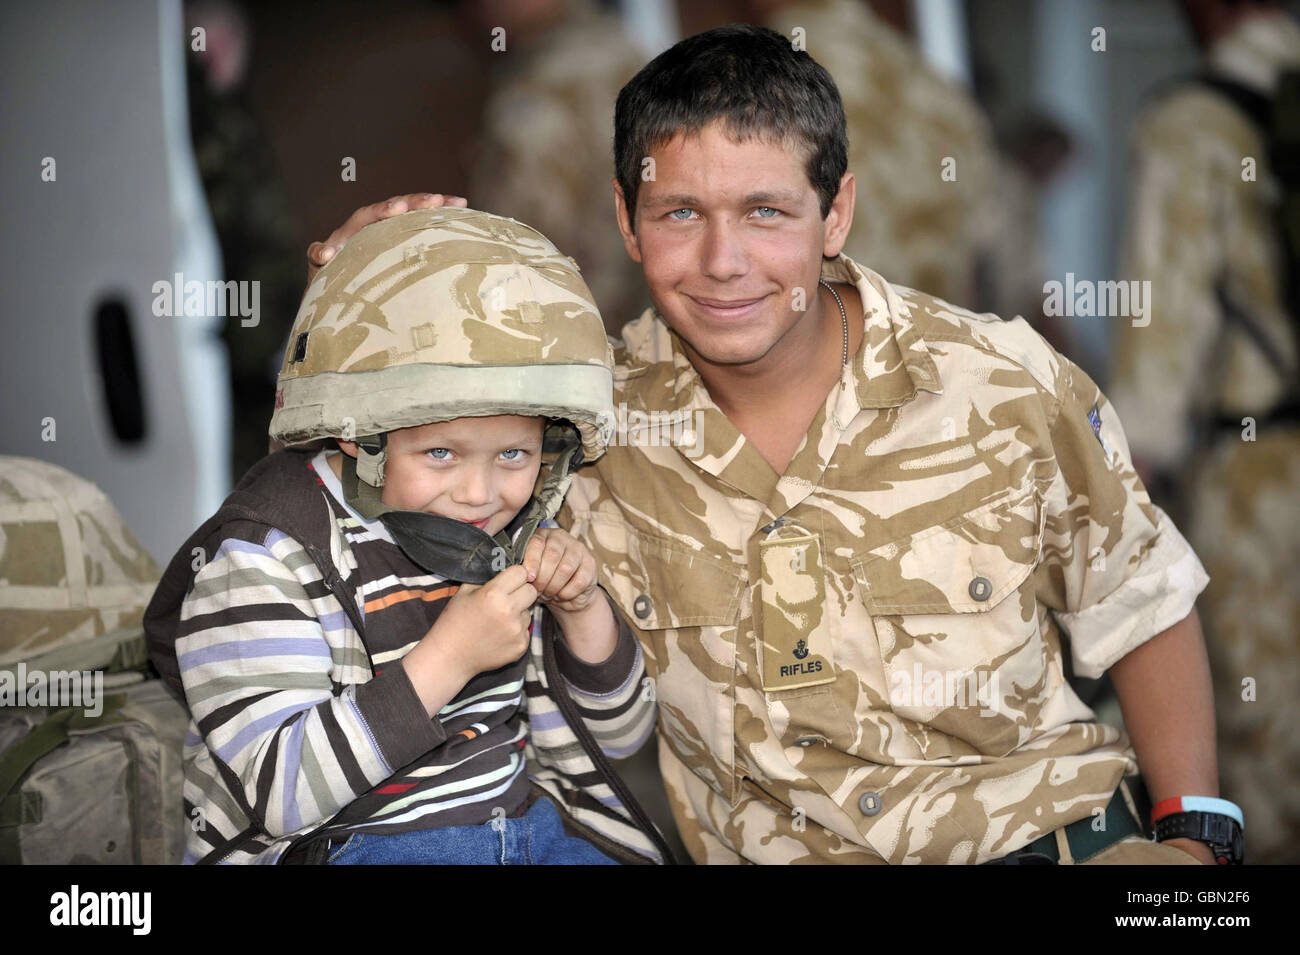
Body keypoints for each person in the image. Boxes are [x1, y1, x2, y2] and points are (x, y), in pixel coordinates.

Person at [308, 26, 1235, 865]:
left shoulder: (999, 381)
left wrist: (1193, 841)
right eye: (678, 214)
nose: (722, 261)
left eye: (766, 212)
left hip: (1052, 839)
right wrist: (362, 308)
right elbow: (358, 492)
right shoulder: (581, 431)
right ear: (626, 220)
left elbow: (1142, 600)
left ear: (834, 216)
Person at [145, 208, 666, 865]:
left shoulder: (512, 529)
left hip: (524, 832)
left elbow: (618, 740)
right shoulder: (266, 554)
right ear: (355, 434)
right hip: (347, 847)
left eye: (513, 454)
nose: (480, 492)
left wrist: (581, 608)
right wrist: (449, 657)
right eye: (441, 453)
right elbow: (278, 794)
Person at [1109, 0, 1300, 864]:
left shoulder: (1197, 123)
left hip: (1261, 488)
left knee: (1266, 757)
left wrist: (1112, 492)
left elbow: (1163, 347)